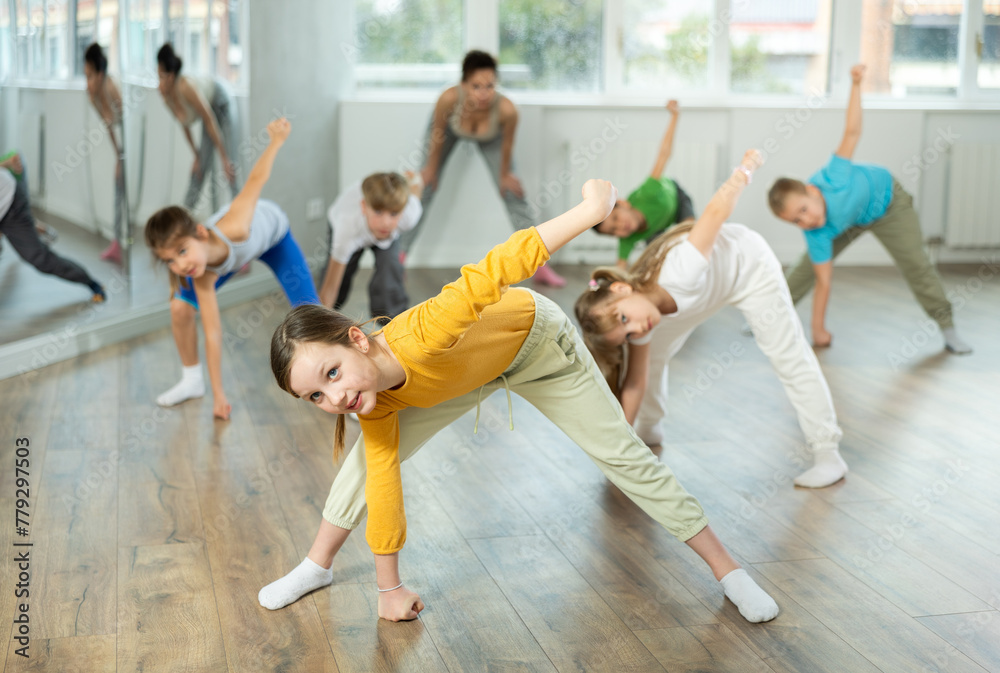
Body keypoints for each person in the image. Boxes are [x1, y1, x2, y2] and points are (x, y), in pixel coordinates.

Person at [258, 177, 780, 625]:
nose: (336, 396)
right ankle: (317, 567)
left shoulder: (424, 333)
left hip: (538, 346)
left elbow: (499, 265)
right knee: (368, 464)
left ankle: (729, 571)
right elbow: (386, 483)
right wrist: (387, 590)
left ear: (356, 339)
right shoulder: (370, 398)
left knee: (622, 453)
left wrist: (590, 212)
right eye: (316, 397)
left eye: (331, 374)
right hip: (466, 375)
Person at [575, 151, 847, 489]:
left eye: (625, 318)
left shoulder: (680, 271)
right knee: (650, 356)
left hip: (748, 265)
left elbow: (717, 210)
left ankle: (828, 454)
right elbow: (634, 382)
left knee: (787, 353)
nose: (635, 329)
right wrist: (620, 452)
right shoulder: (642, 316)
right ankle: (649, 428)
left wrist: (745, 169)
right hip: (703, 289)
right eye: (625, 334)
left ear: (620, 288)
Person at [769, 64, 971, 355]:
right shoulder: (816, 230)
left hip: (889, 205)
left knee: (917, 264)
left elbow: (852, 131)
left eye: (803, 209)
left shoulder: (833, 178)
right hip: (848, 220)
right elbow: (824, 282)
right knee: (807, 268)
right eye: (796, 220)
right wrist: (818, 330)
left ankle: (948, 328)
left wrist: (855, 84)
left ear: (812, 191)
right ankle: (769, 320)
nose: (806, 220)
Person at [146, 118, 318, 420]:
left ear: (200, 232)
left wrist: (276, 140)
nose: (180, 264)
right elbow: (213, 334)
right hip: (219, 262)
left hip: (274, 239)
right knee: (179, 308)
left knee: (312, 314)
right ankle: (192, 381)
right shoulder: (199, 273)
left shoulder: (236, 226)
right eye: (171, 260)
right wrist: (219, 395)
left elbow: (256, 180)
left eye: (182, 251)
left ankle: (343, 383)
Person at [403, 49, 566, 287]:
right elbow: (437, 134)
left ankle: (540, 264)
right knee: (422, 189)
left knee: (513, 192)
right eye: (476, 86)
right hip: (448, 130)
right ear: (464, 84)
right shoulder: (448, 99)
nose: (483, 93)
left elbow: (507, 144)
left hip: (492, 137)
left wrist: (504, 175)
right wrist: (430, 168)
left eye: (489, 86)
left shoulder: (507, 110)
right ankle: (398, 259)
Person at [593, 100, 696, 268]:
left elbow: (664, 155)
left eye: (616, 218)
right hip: (658, 228)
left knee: (690, 230)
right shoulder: (627, 237)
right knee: (656, 256)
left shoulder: (647, 193)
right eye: (613, 231)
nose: (620, 227)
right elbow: (620, 266)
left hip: (675, 198)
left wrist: (675, 116)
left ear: (623, 203)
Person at [0, 152, 106, 302]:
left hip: (12, 203)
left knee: (39, 259)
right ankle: (36, 226)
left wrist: (7, 164)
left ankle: (92, 283)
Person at [318, 172, 422, 318]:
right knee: (341, 279)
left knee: (390, 268)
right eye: (378, 212)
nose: (385, 223)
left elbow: (416, 189)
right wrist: (319, 323)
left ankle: (393, 321)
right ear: (363, 207)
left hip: (387, 236)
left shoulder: (408, 216)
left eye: (393, 214)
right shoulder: (346, 229)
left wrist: (415, 178)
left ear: (402, 210)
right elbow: (329, 288)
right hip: (352, 228)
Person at [157, 43, 240, 212]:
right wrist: (196, 155)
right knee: (199, 168)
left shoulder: (185, 86)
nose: (158, 83)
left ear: (171, 77)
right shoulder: (167, 97)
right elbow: (184, 125)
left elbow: (209, 118)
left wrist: (224, 157)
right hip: (208, 112)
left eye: (161, 77)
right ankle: (183, 217)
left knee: (230, 166)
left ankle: (242, 215)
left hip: (221, 103)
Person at [83, 43, 127, 265]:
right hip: (122, 149)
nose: (86, 82)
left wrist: (123, 156)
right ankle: (116, 244)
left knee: (123, 193)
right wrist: (118, 156)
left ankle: (120, 242)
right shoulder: (95, 97)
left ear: (100, 74)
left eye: (89, 75)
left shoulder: (111, 88)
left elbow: (127, 125)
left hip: (131, 145)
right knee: (118, 192)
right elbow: (110, 129)